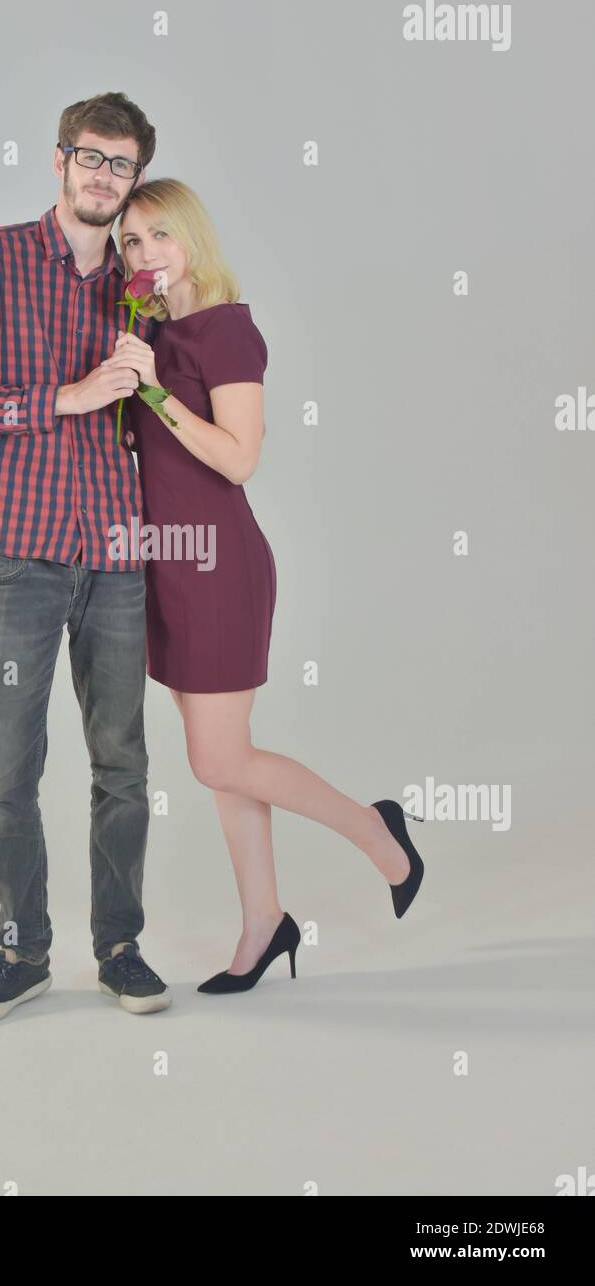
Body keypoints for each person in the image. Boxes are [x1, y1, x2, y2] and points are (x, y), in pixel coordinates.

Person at [102, 179, 425, 995]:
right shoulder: (147, 334)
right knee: (224, 763)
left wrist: (149, 391)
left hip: (217, 564)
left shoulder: (226, 331)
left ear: (193, 241)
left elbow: (240, 458)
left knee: (220, 757)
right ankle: (263, 921)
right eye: (131, 243)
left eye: (160, 237)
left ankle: (379, 833)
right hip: (160, 562)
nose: (145, 256)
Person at [0, 92, 173, 1024]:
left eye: (122, 164)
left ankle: (121, 947)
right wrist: (62, 398)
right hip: (17, 558)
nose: (104, 177)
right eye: (90, 157)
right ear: (59, 161)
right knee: (6, 769)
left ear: (136, 177)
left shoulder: (142, 284)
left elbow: (172, 421)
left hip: (116, 553)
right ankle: (23, 950)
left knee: (123, 761)